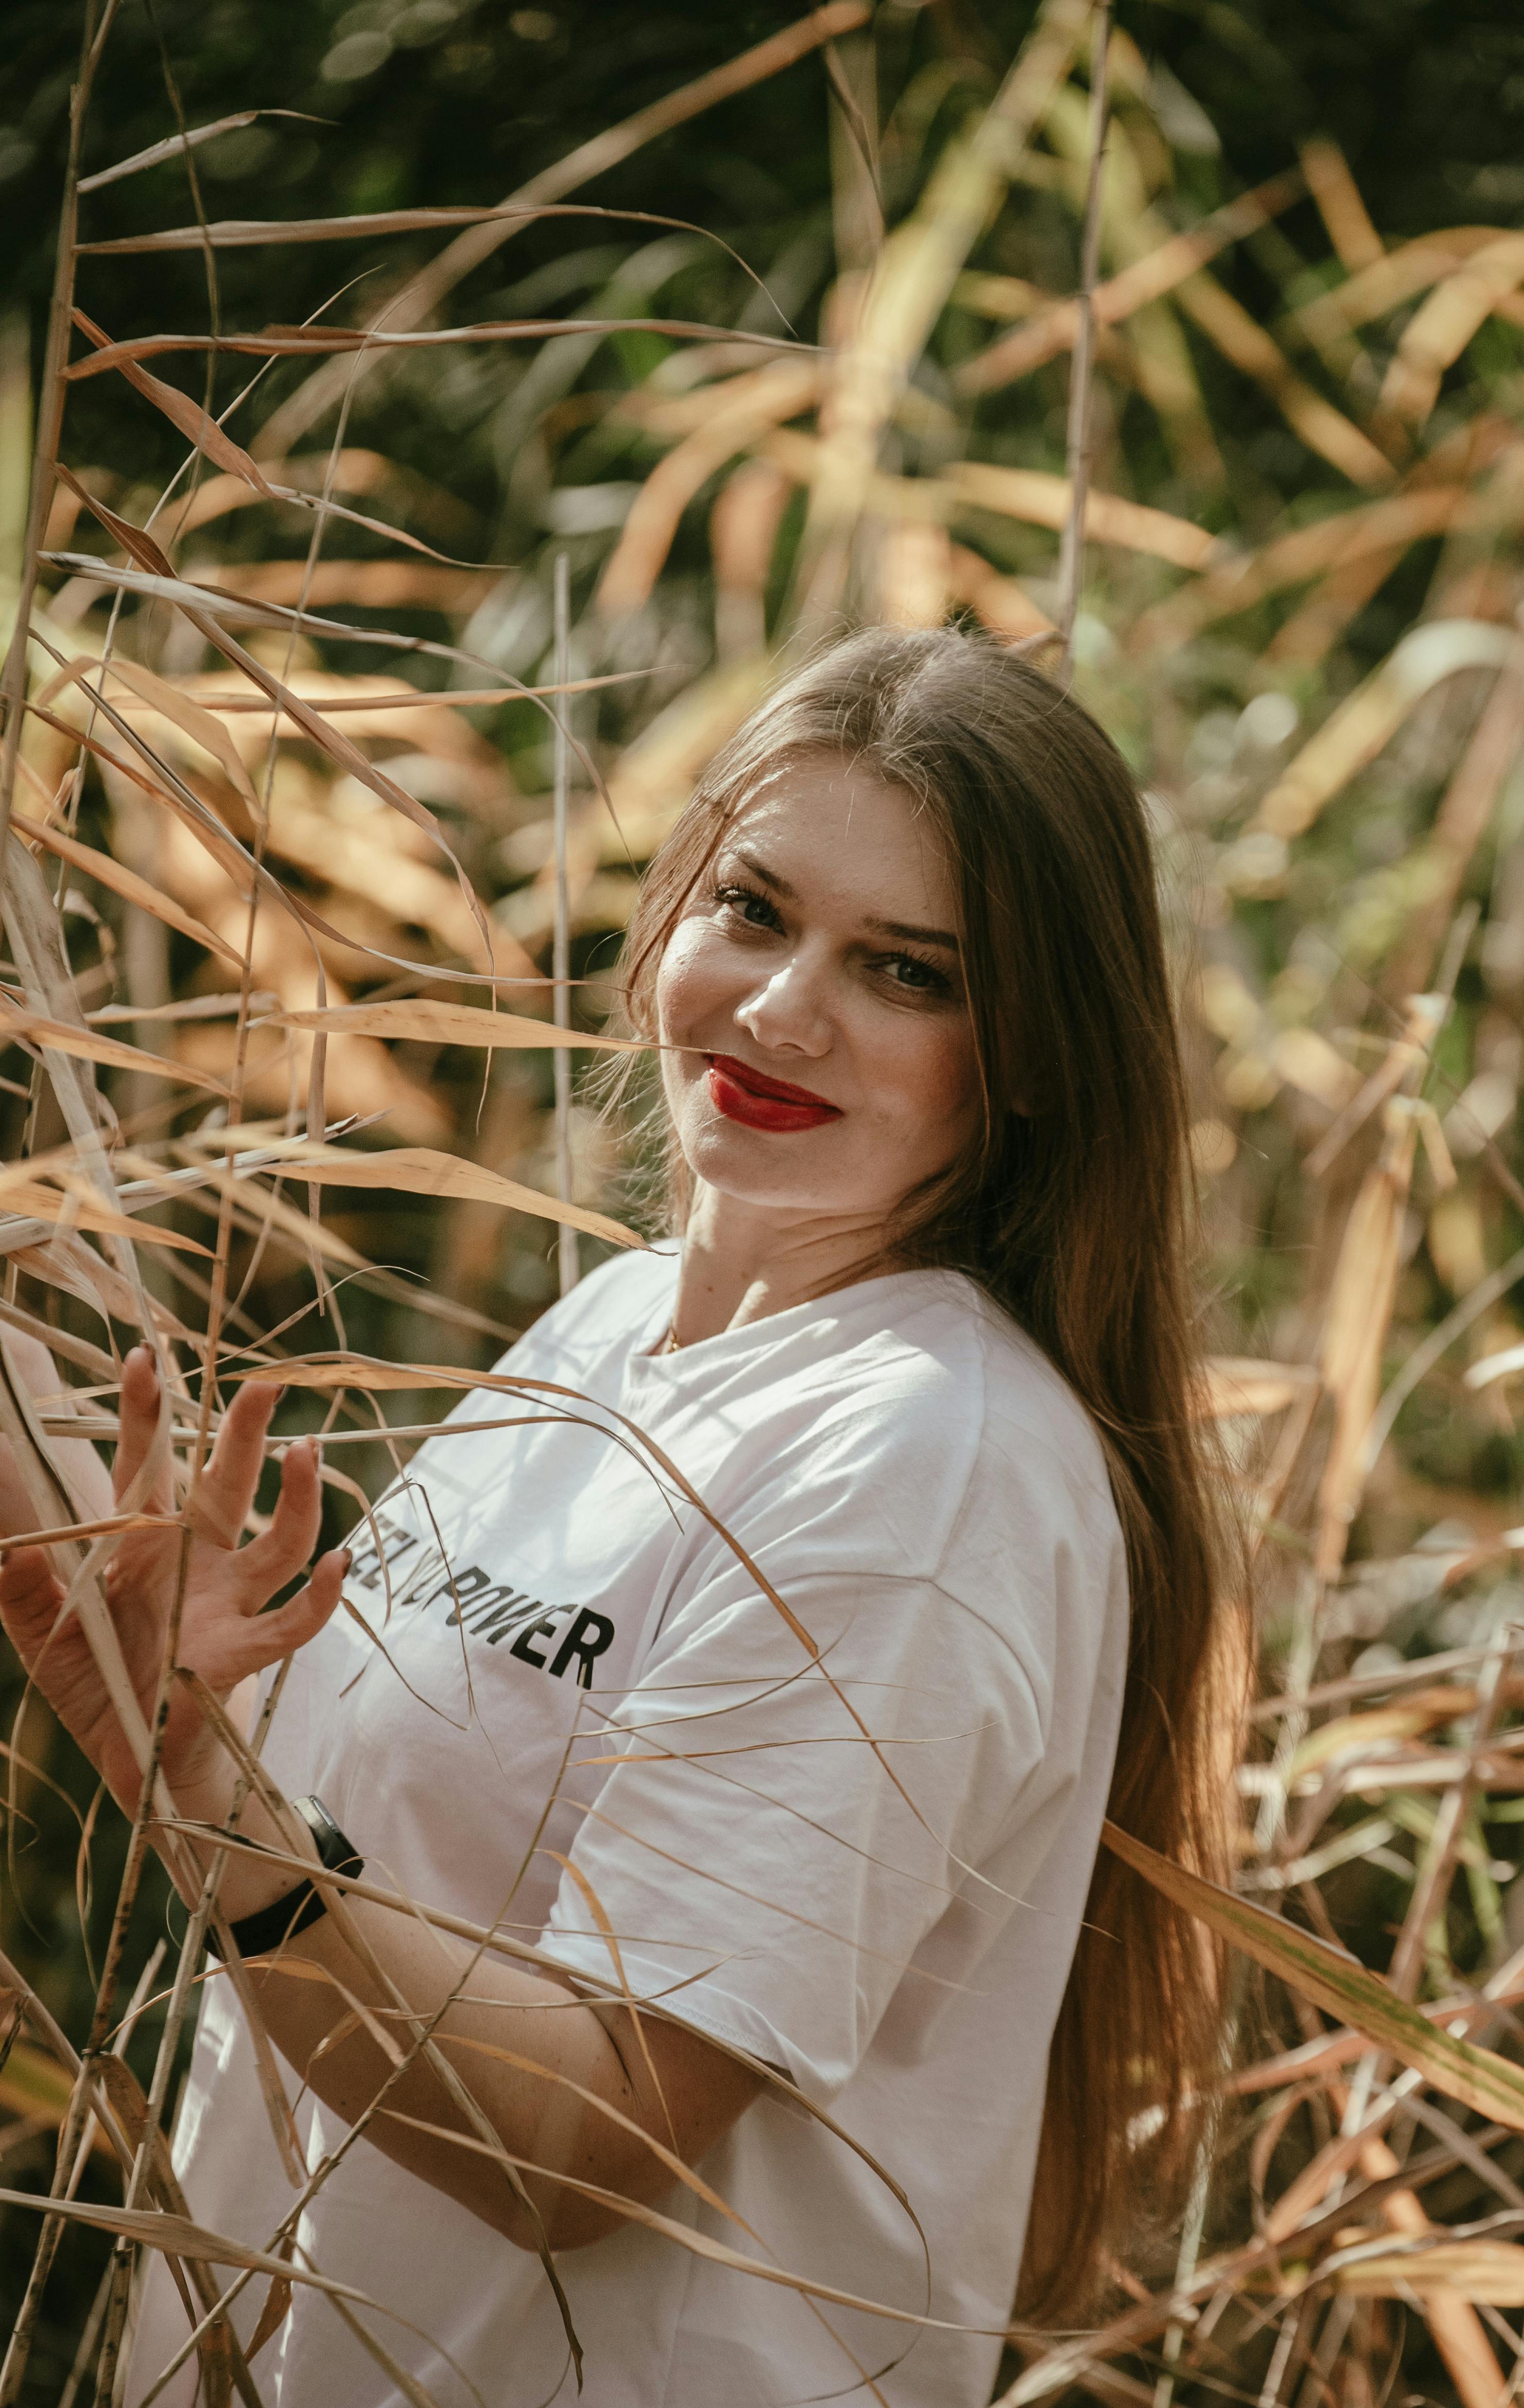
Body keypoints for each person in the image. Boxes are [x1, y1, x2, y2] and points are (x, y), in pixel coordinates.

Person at [0, 626, 1235, 2407]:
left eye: (905, 972)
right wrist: (107, 1597)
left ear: (1038, 1056)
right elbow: (393, 1853)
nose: (785, 1008)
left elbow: (580, 2142)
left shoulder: (927, 1464)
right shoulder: (612, 1328)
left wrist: (198, 1782)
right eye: (753, 908)